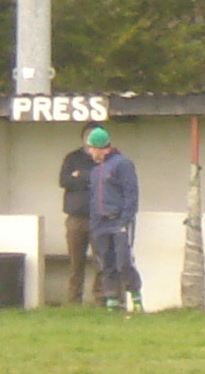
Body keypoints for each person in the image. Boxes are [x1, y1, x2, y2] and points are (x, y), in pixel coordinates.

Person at [84, 126, 142, 313]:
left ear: (102, 147)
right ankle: (112, 301)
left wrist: (125, 220)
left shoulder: (122, 164)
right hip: (100, 223)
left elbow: (131, 194)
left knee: (123, 261)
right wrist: (94, 223)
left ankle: (136, 299)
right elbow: (94, 198)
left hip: (118, 221)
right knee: (105, 263)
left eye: (92, 147)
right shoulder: (95, 171)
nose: (90, 152)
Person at [58, 125, 96, 305]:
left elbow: (103, 180)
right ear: (82, 139)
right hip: (75, 218)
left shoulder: (106, 158)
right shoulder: (72, 158)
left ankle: (102, 300)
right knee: (76, 263)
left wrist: (80, 176)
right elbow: (64, 181)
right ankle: (74, 301)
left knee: (102, 262)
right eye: (88, 136)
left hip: (99, 218)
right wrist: (88, 180)